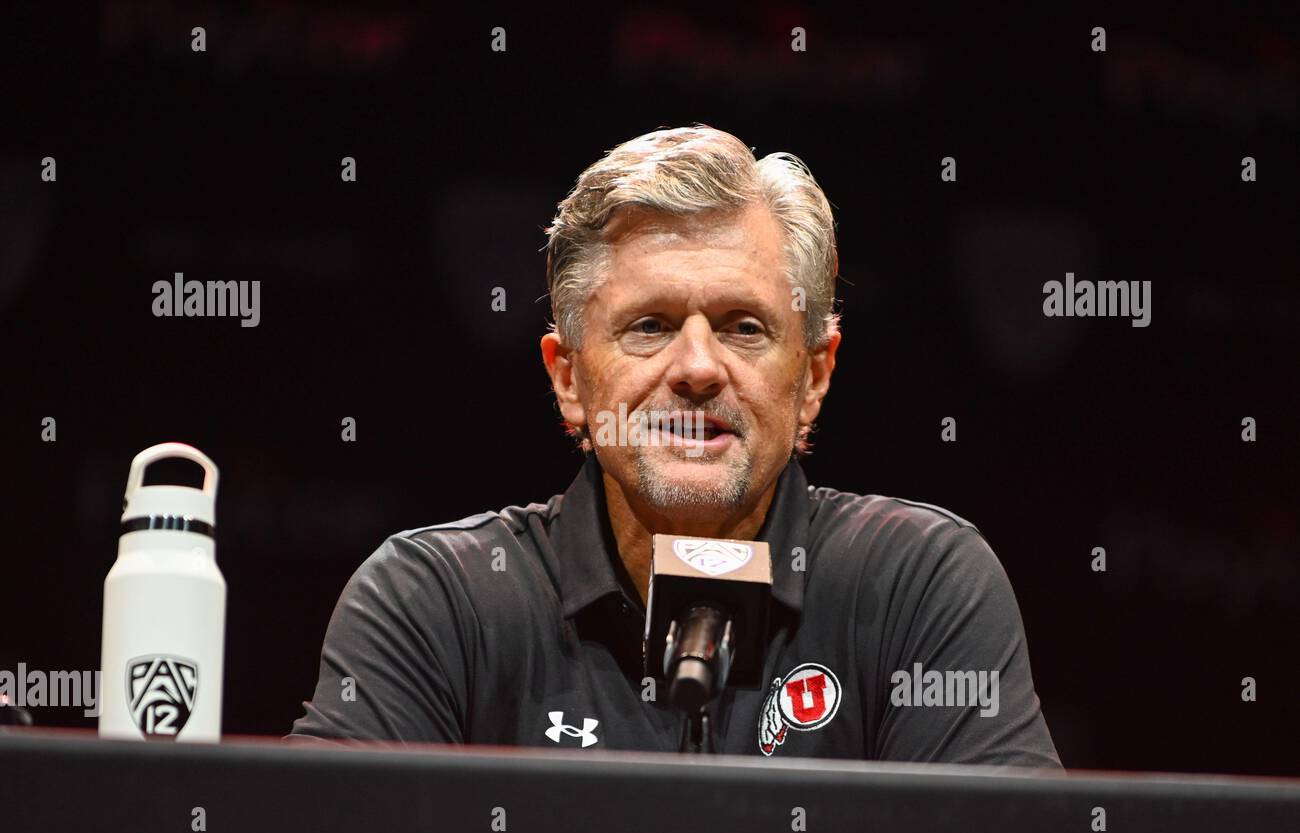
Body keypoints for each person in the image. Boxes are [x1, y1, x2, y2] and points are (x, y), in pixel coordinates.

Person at [288, 124, 1061, 766]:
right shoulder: (438, 603)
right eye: (650, 325)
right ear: (570, 380)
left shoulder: (916, 584)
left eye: (743, 327)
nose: (696, 368)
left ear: (814, 376)